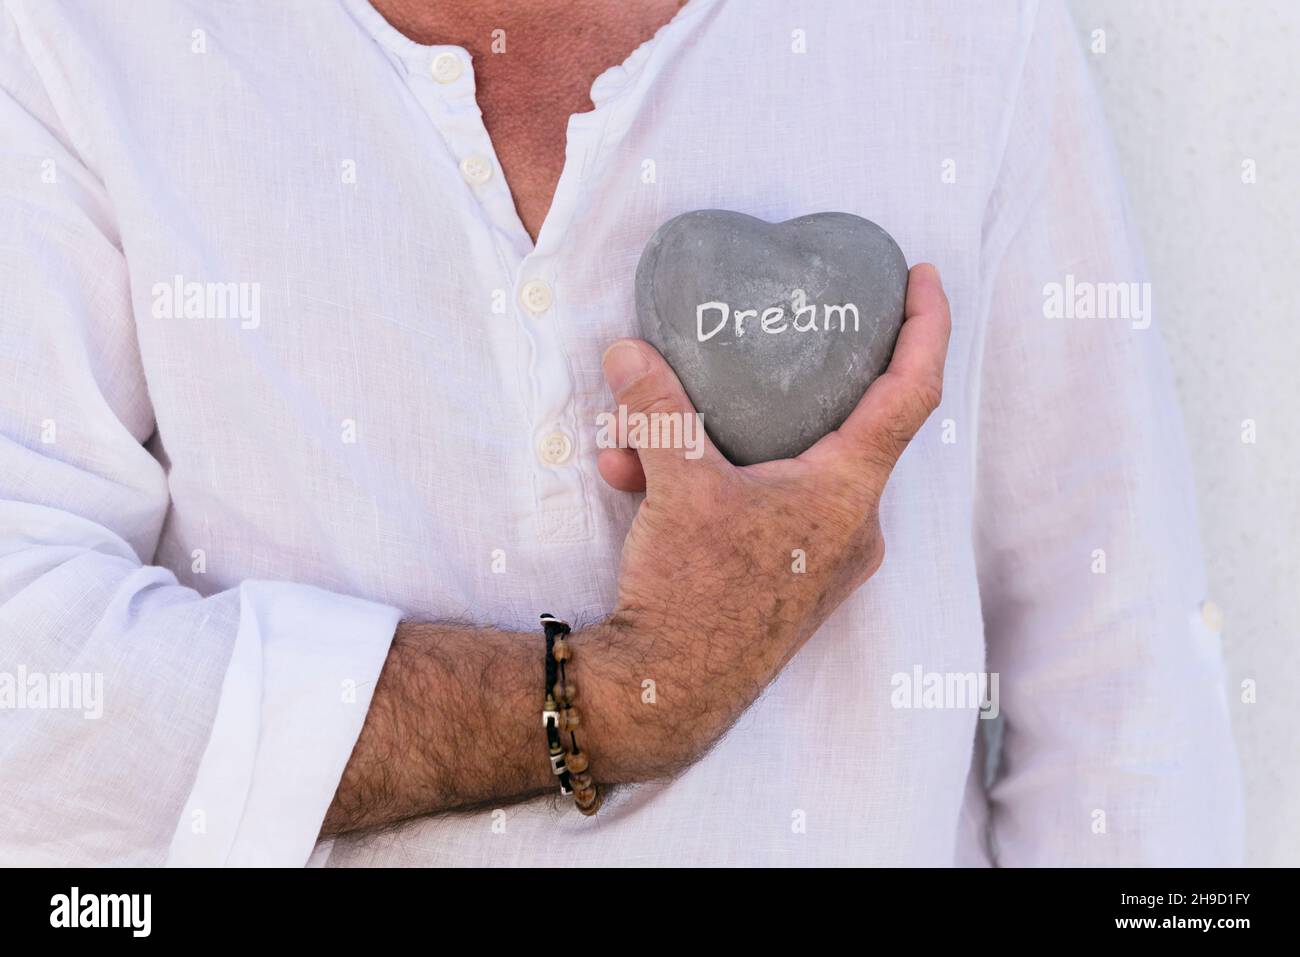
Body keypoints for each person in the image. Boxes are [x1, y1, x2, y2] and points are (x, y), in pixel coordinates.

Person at [0, 0, 1241, 866]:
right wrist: (612, 700)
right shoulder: (82, 37)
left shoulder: (958, 28)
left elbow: (1113, 661)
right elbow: (27, 693)